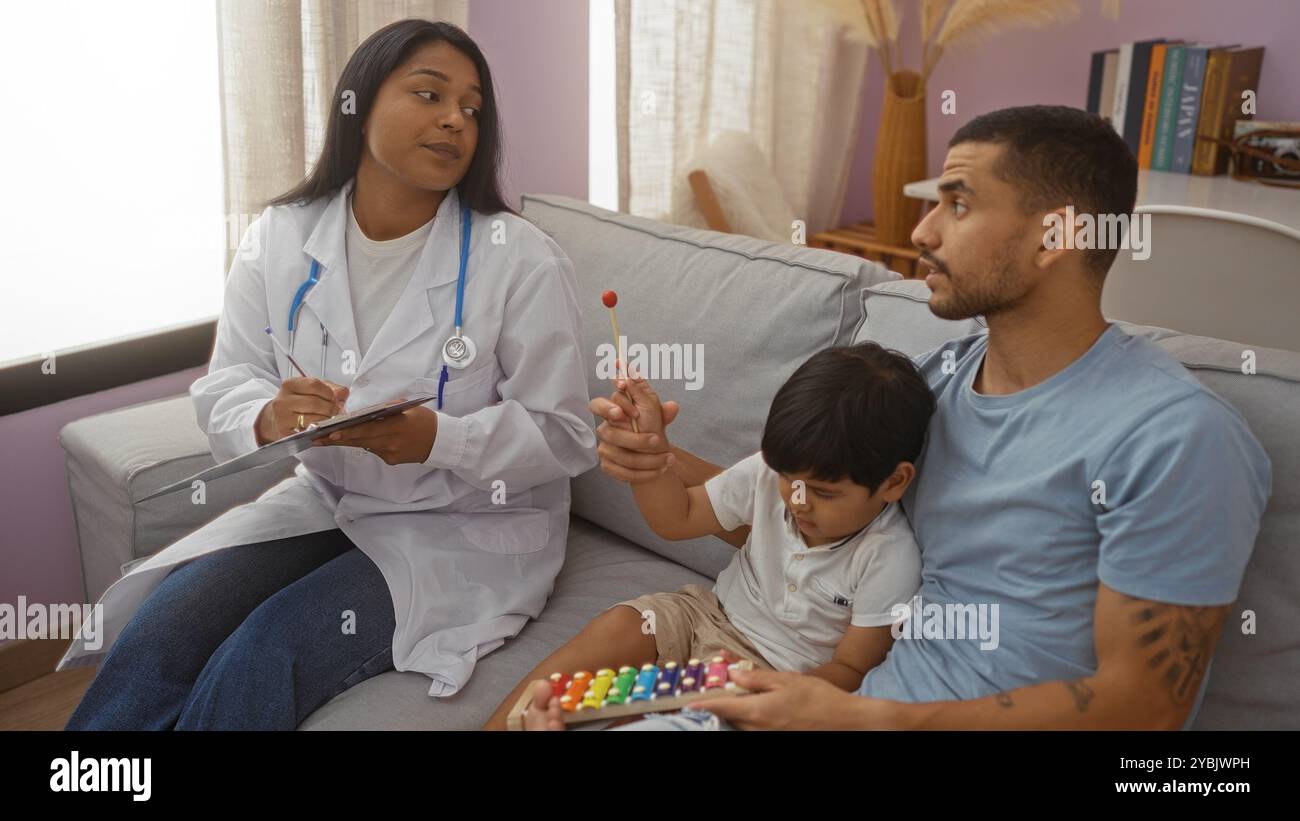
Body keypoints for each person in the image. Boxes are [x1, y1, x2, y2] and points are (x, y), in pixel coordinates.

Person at [586, 105, 1271, 731]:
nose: (922, 230)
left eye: (960, 203)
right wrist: (658, 459)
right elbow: (802, 507)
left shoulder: (1175, 436)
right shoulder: (931, 385)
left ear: (1055, 235)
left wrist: (861, 717)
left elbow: (1142, 709)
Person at [62, 19, 597, 730]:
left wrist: (441, 440)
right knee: (161, 632)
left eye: (471, 109)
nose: (453, 120)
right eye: (429, 94)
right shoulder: (281, 235)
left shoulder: (520, 258)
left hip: (464, 529)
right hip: (328, 499)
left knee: (261, 651)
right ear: (360, 102)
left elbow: (565, 435)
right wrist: (268, 415)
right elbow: (228, 382)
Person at [483, 344, 935, 730]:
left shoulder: (889, 555)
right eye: (788, 480)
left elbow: (853, 668)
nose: (797, 500)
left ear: (894, 482)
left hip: (777, 674)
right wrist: (652, 460)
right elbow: (677, 518)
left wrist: (765, 689)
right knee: (622, 625)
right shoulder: (767, 473)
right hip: (707, 615)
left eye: (822, 492)